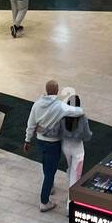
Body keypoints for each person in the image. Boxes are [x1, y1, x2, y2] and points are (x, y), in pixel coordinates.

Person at [23, 79, 84, 211]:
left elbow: (30, 124)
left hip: (40, 142)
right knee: (50, 173)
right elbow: (79, 112)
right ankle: (44, 202)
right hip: (53, 144)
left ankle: (49, 188)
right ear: (56, 91)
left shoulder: (37, 104)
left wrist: (27, 140)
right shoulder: (59, 106)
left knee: (46, 165)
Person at [58, 91, 93, 201]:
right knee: (75, 175)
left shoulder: (63, 116)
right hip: (77, 147)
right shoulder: (82, 117)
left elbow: (58, 131)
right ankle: (71, 203)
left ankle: (70, 183)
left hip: (65, 146)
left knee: (71, 169)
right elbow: (87, 135)